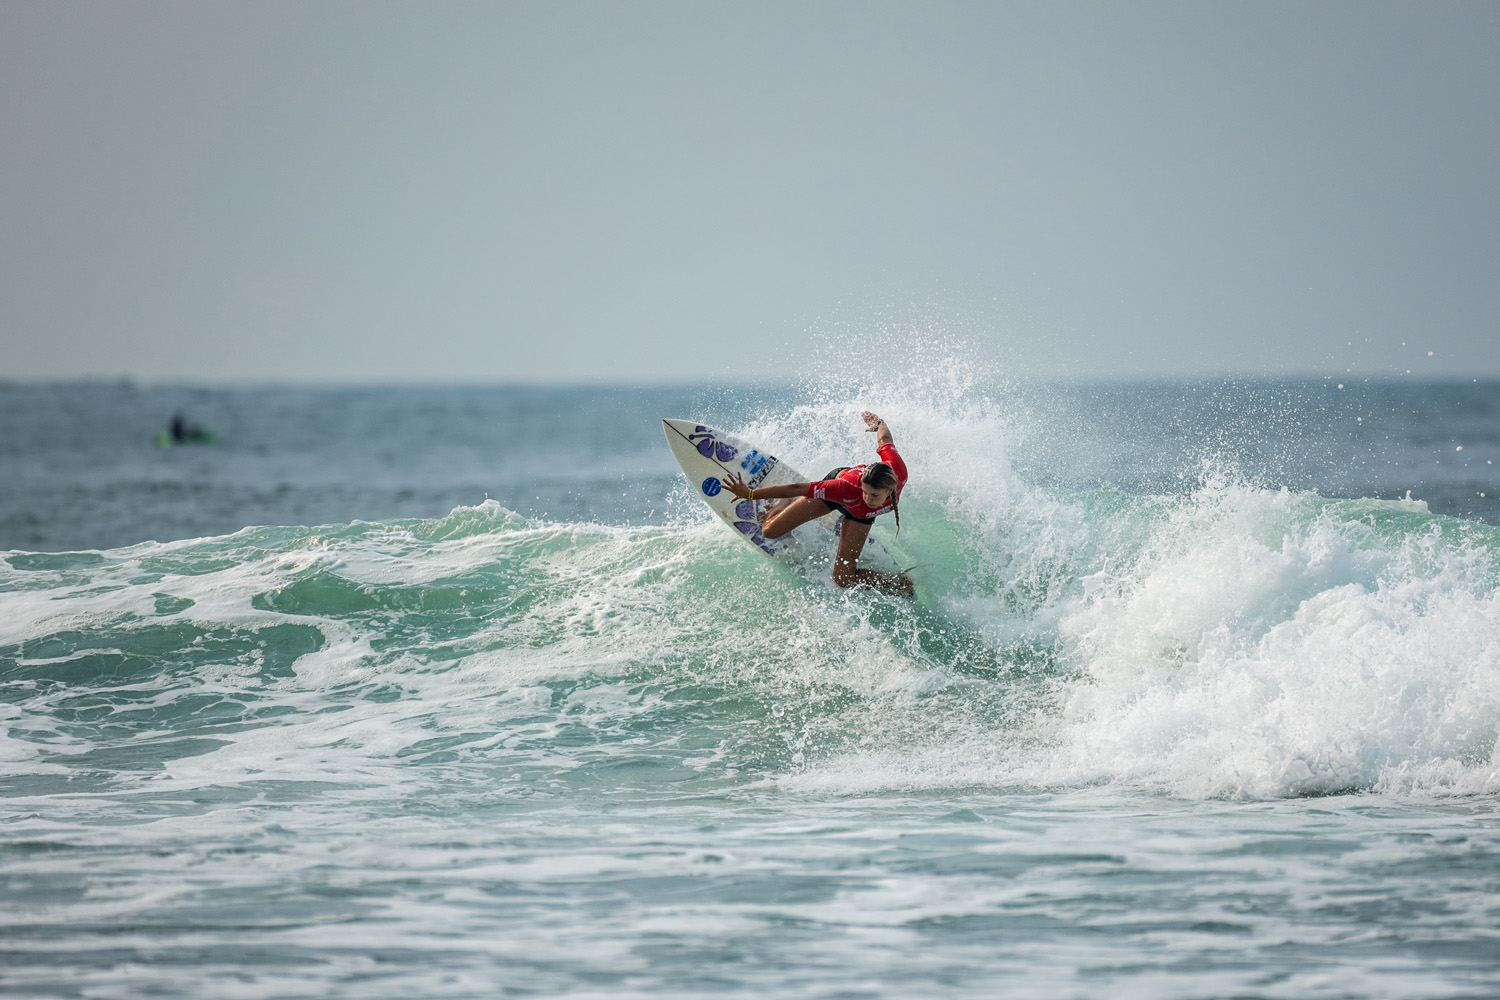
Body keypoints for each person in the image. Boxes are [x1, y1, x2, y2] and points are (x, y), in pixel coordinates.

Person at [723, 411, 913, 595]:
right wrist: (749, 494)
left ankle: (898, 583)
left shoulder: (899, 472)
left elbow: (885, 440)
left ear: (890, 491)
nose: (867, 499)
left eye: (874, 496)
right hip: (835, 497)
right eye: (865, 492)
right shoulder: (843, 487)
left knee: (843, 580)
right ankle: (783, 503)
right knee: (769, 531)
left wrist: (879, 424)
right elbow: (797, 487)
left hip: (859, 516)